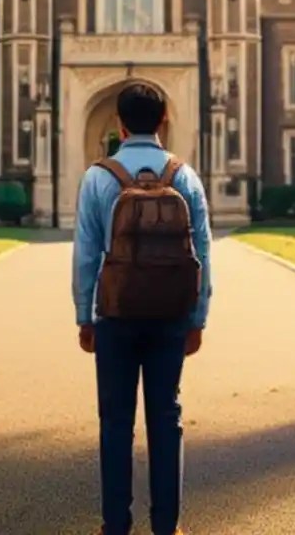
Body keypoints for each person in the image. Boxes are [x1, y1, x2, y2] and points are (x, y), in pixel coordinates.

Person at [72, 82, 213, 535]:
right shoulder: (184, 176)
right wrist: (197, 318)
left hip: (114, 315)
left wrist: (84, 316)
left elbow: (86, 254)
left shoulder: (98, 177)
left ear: (118, 123)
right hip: (170, 315)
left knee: (115, 422)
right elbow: (203, 254)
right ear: (164, 120)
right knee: (165, 419)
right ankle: (166, 525)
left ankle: (116, 525)